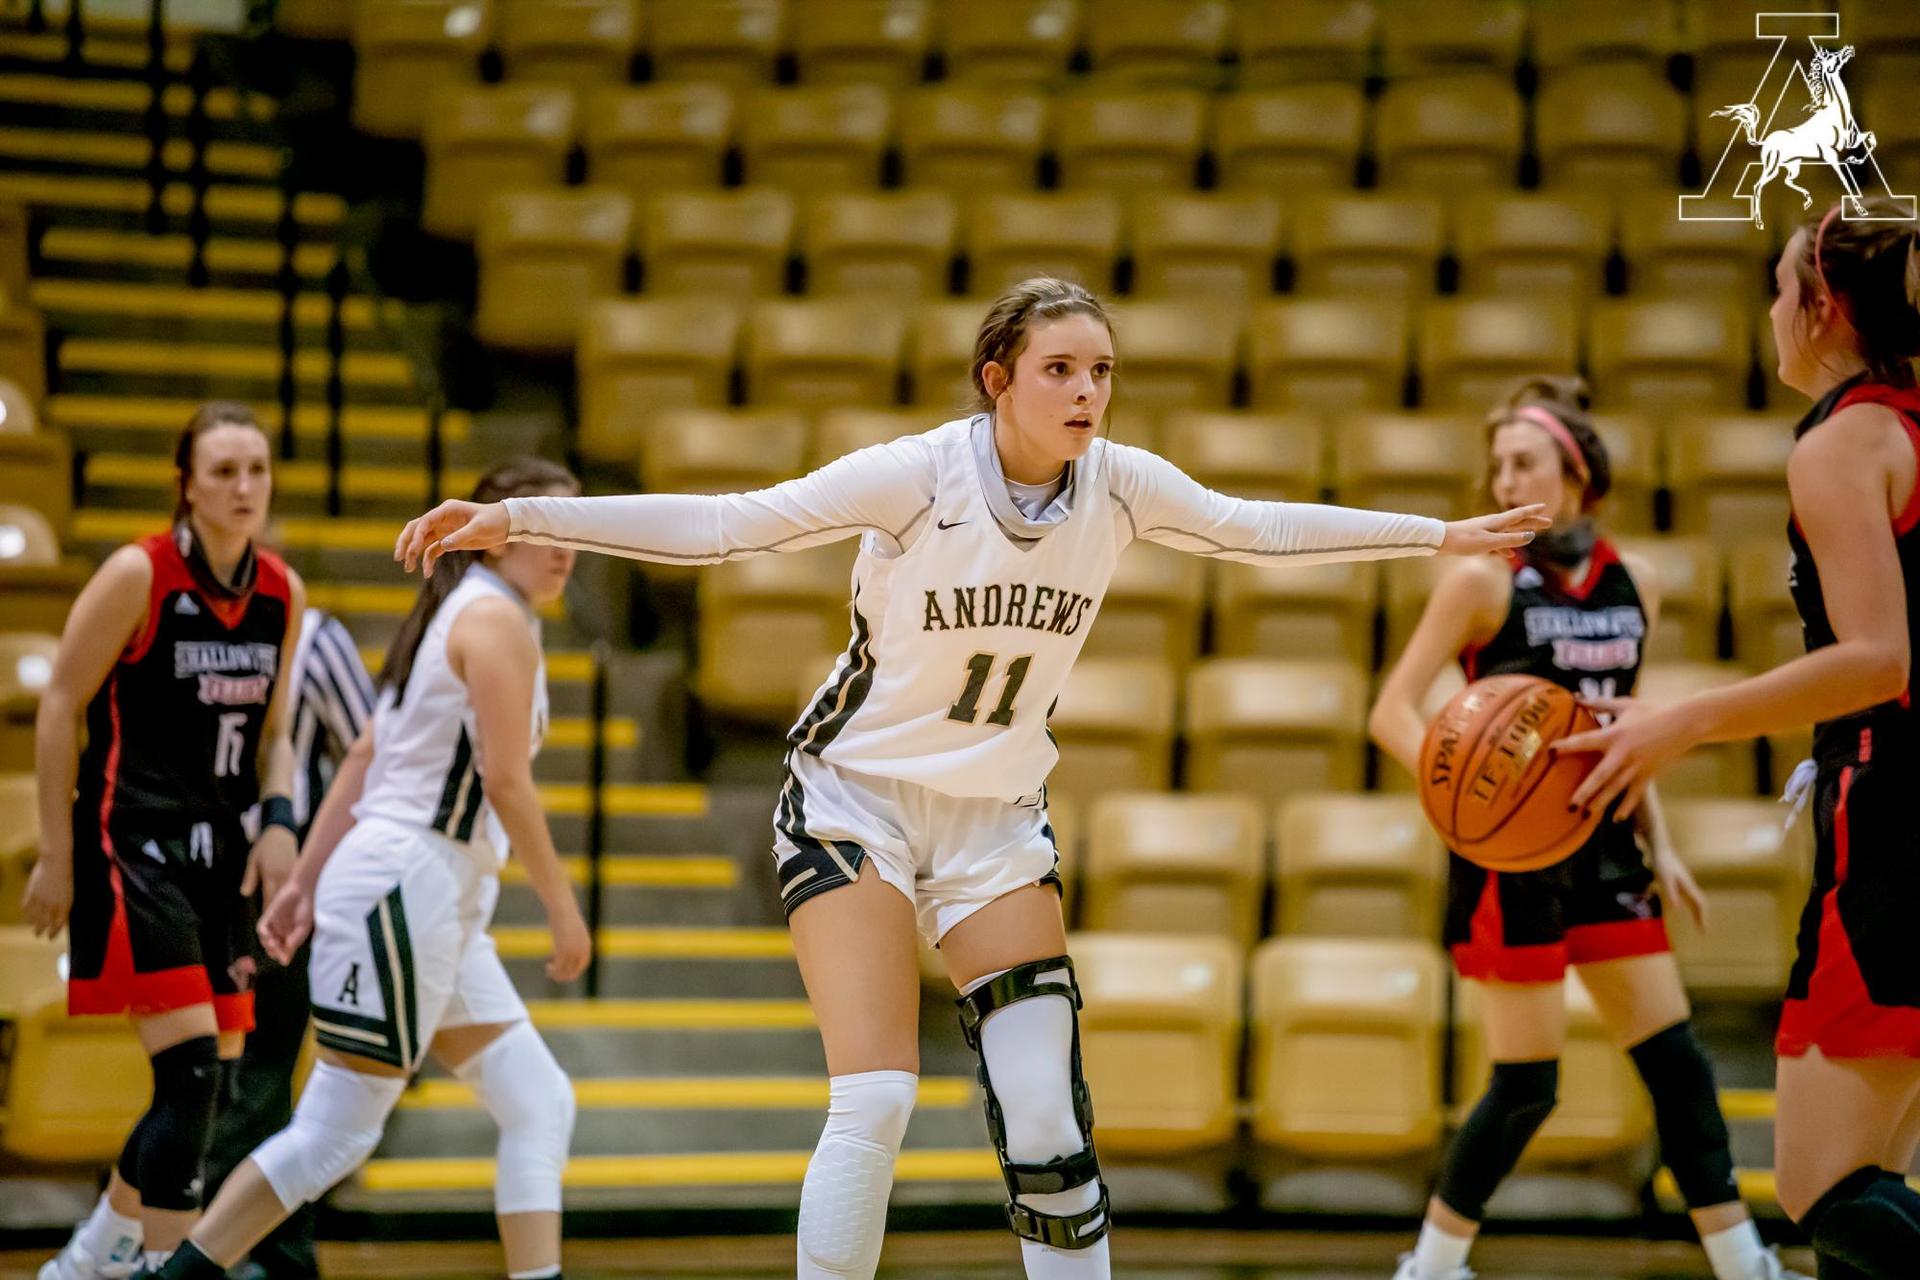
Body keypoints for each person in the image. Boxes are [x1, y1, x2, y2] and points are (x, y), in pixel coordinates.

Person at [388, 277, 1548, 1280]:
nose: (1088, 390)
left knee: (1047, 1114)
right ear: (999, 378)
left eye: (1102, 369)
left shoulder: (1125, 484)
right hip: (855, 800)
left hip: (994, 817)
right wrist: (519, 515)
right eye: (1061, 368)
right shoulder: (918, 474)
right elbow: (732, 524)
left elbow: (1255, 526)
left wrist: (1436, 535)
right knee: (879, 1095)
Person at [1558, 200, 1920, 1279]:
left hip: (1893, 809)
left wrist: (1680, 719)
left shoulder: (1845, 441)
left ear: (1819, 309)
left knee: (1821, 1183)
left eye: (1776, 288)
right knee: (1881, 1163)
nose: (1767, 312)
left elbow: (1879, 658)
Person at [1369, 378, 1799, 1280]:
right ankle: (1432, 1266)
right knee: (1529, 1085)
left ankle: (1742, 1261)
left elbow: (1623, 727)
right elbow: (1391, 712)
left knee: (1678, 1065)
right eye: (1494, 466)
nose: (1502, 480)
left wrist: (1663, 844)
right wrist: (1462, 800)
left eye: (1522, 462)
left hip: (1606, 846)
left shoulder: (1635, 581)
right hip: (1509, 862)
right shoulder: (1482, 579)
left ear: (1577, 472)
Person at [141, 457, 593, 1280]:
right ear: (489, 538)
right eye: (540, 527)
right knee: (336, 1133)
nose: (562, 549)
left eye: (568, 530)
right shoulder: (492, 623)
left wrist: (307, 882)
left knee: (538, 1101)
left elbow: (361, 753)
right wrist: (563, 907)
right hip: (407, 888)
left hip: (425, 891)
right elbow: (503, 781)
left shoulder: (457, 611)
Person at [25, 404, 305, 1279]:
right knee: (189, 1077)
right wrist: (56, 852)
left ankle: (88, 1259)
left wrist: (282, 822)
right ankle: (158, 1268)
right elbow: (60, 703)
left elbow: (279, 731)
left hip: (223, 855)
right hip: (131, 840)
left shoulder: (281, 592)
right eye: (223, 470)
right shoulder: (137, 574)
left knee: (205, 1086)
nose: (244, 487)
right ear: (185, 483)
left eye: (256, 468)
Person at [204, 604, 375, 1280]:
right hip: (193, 861)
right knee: (204, 1069)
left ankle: (267, 1248)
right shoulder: (170, 616)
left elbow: (370, 753)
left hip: (280, 870)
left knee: (263, 1068)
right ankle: (250, 1245)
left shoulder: (317, 637)